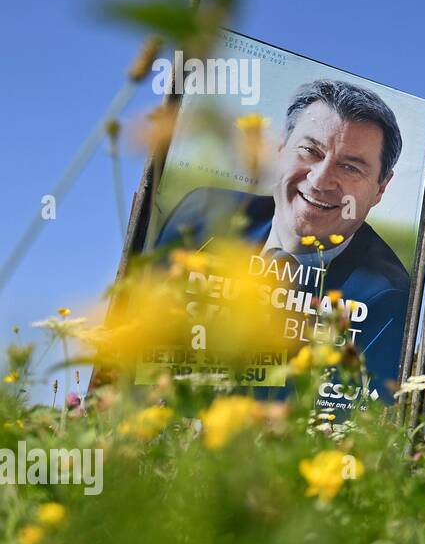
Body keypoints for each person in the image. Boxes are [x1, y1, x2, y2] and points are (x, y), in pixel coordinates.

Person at [153, 78, 411, 398]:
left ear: (380, 189)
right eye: (310, 151)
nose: (320, 180)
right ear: (280, 148)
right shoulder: (199, 218)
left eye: (349, 167)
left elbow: (325, 412)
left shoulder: (387, 298)